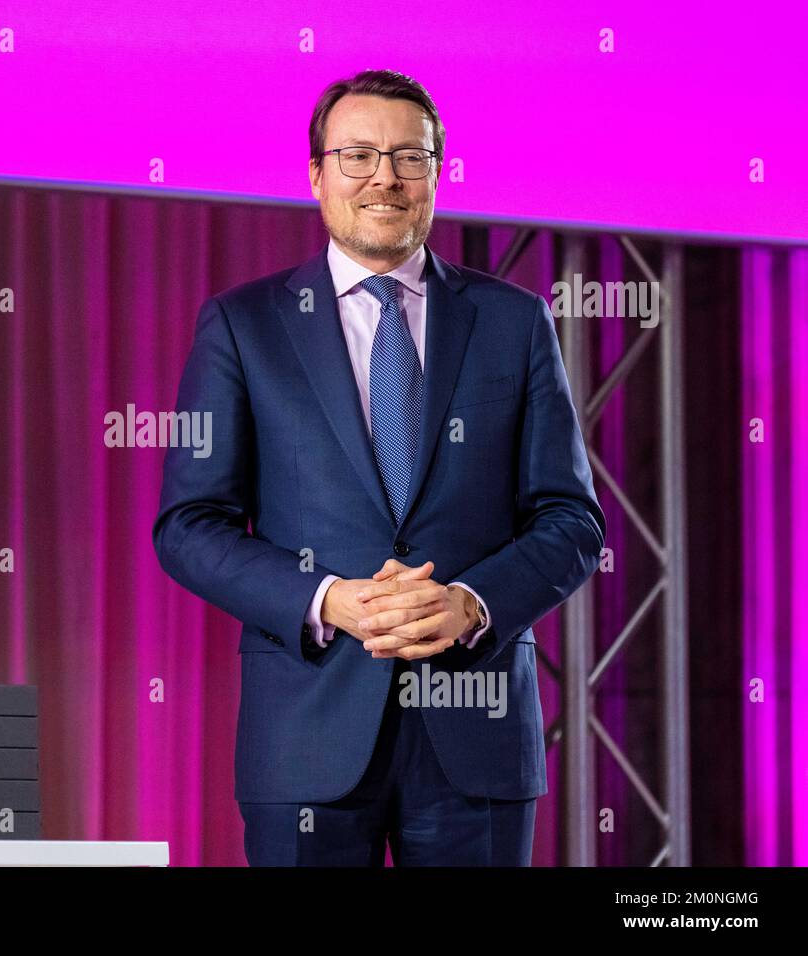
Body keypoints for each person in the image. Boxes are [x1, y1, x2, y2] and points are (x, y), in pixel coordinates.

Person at [152, 69, 605, 865]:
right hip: (306, 730)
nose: (384, 178)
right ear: (316, 174)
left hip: (478, 725)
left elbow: (571, 521)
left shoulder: (514, 321)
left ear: (437, 174)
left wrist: (472, 602)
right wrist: (327, 599)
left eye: (409, 157)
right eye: (358, 155)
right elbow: (190, 525)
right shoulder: (243, 325)